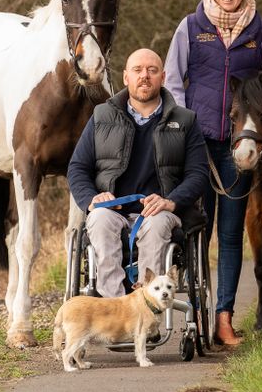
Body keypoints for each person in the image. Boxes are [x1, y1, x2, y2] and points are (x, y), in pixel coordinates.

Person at [165, 0, 262, 345]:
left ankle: (224, 319)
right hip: (198, 146)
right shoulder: (190, 27)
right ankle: (197, 316)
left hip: (240, 150)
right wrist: (183, 127)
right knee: (197, 232)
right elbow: (171, 82)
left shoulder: (259, 31)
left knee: (233, 234)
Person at [67, 48, 208, 297]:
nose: (145, 76)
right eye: (138, 70)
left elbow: (198, 174)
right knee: (99, 220)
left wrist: (171, 201)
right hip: (113, 211)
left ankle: (146, 308)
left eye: (152, 70)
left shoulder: (185, 120)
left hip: (160, 212)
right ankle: (113, 307)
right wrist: (92, 199)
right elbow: (77, 168)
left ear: (163, 77)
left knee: (155, 226)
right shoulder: (101, 116)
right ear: (125, 77)